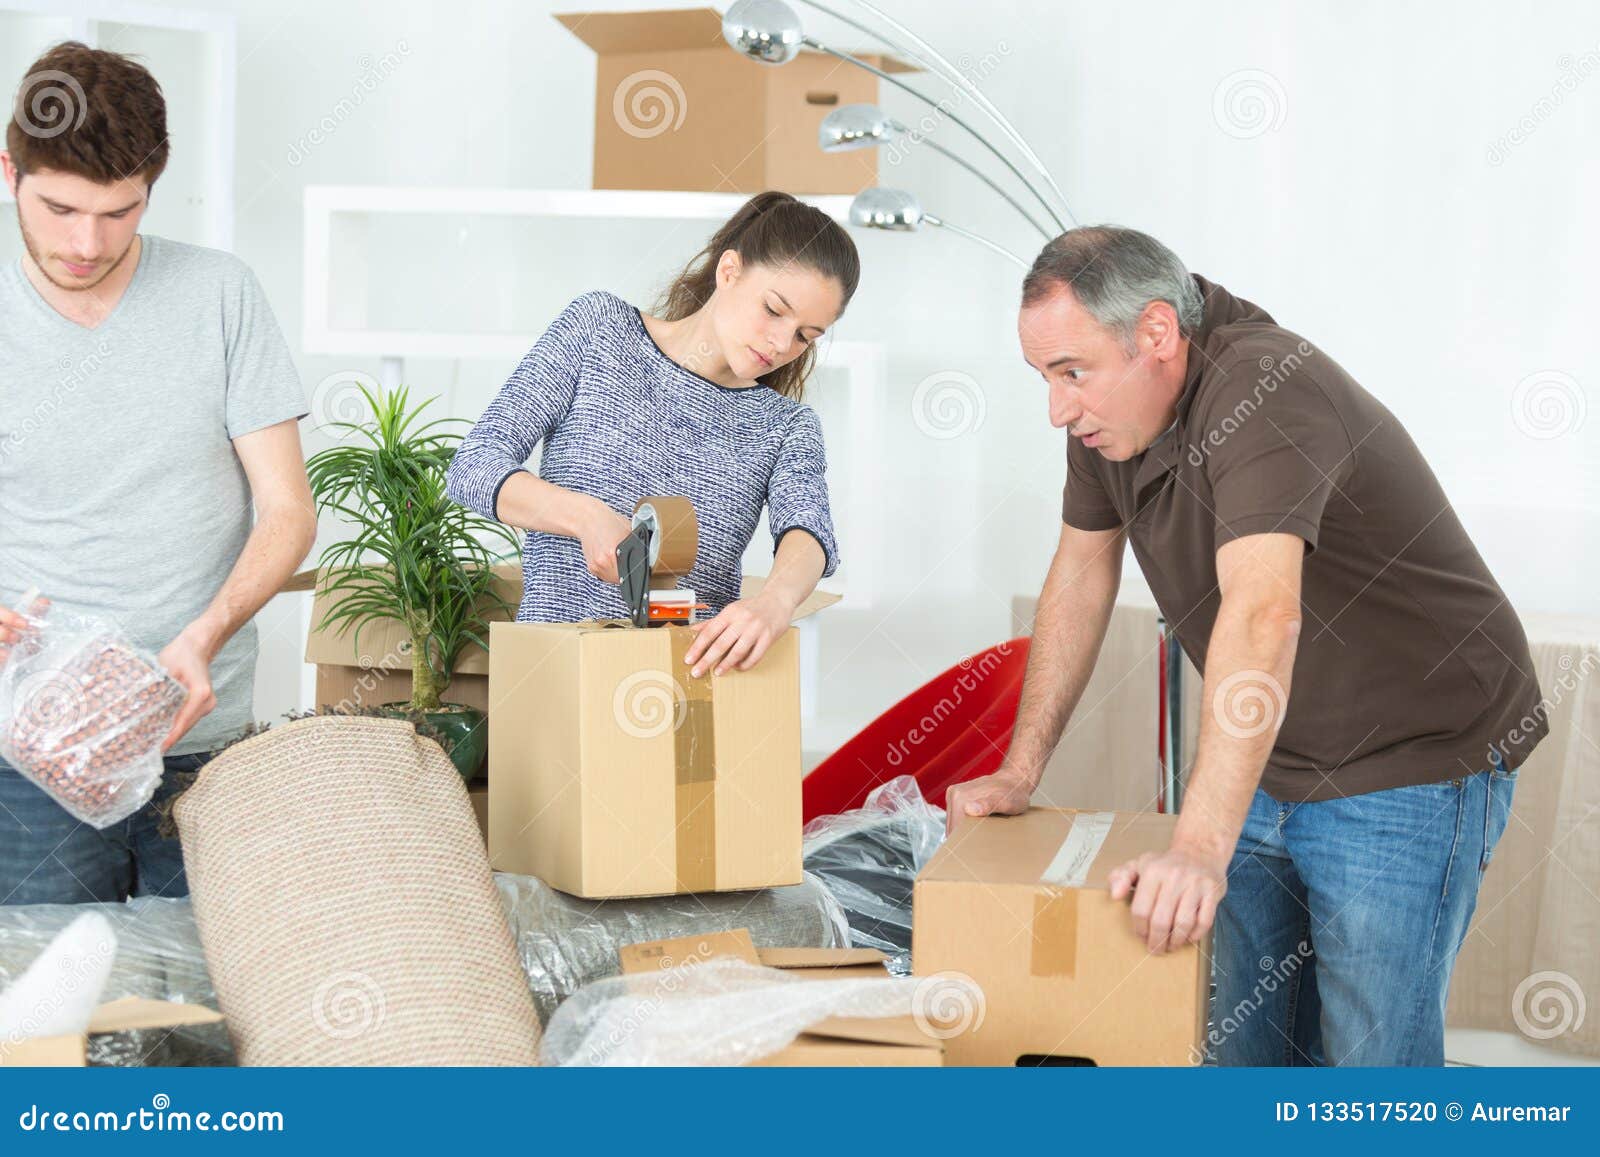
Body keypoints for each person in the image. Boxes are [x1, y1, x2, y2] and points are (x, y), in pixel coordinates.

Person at [948, 225, 1544, 1066]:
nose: (1057, 407)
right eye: (1045, 377)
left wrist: (1196, 847)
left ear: (1157, 333)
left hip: (1410, 760)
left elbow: (1264, 613)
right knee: (1247, 1055)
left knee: (1376, 1068)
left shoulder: (1267, 392)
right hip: (1270, 754)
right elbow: (1081, 575)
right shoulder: (1111, 421)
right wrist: (1022, 766)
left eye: (1071, 372)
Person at [0, 43, 316, 905]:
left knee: (209, 1006)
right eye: (60, 207)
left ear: (153, 185)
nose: (86, 242)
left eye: (119, 211)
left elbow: (288, 509)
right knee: (50, 1014)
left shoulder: (220, 294)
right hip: (34, 752)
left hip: (202, 736)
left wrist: (205, 632)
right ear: (8, 171)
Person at [446, 191, 855, 676]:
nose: (781, 343)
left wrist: (775, 602)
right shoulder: (599, 331)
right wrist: (585, 517)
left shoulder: (785, 426)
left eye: (806, 336)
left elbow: (809, 533)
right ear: (730, 272)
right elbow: (473, 467)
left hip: (682, 695)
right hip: (551, 679)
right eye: (773, 309)